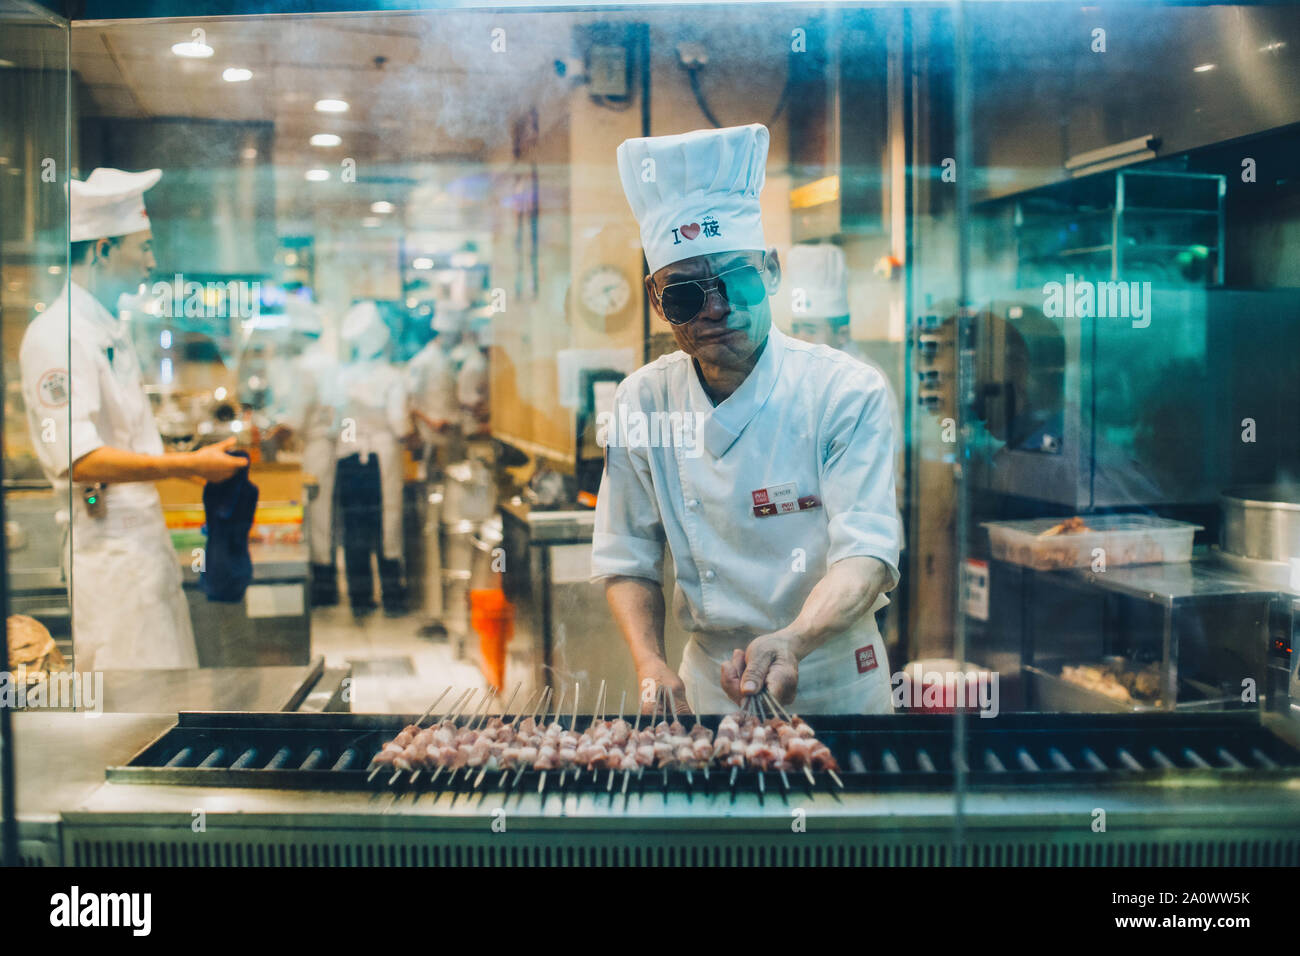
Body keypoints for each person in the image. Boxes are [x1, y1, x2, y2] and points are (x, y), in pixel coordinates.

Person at [592, 125, 901, 714]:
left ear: (771, 272)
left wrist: (794, 641)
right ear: (658, 303)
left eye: (736, 279)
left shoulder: (843, 390)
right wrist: (650, 662)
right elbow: (626, 553)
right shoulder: (643, 402)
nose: (716, 308)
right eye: (685, 295)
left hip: (836, 684)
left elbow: (866, 554)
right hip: (708, 687)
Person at [18, 167, 248, 670]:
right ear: (101, 250)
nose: (152, 262)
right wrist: (179, 466)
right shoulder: (58, 335)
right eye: (142, 247)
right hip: (109, 555)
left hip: (140, 547)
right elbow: (80, 461)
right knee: (135, 714)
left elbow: (120, 441)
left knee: (167, 700)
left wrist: (190, 464)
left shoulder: (105, 330)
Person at [334, 301, 409, 615]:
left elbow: (334, 419)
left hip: (348, 457)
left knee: (355, 529)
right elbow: (400, 424)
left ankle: (360, 597)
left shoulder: (342, 376)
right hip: (380, 456)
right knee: (386, 525)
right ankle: (392, 595)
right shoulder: (393, 377)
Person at [267, 299, 343, 605]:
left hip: (316, 446)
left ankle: (321, 586)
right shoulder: (328, 361)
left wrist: (271, 437)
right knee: (325, 515)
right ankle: (327, 582)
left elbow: (295, 418)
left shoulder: (306, 367)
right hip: (326, 444)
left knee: (316, 516)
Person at [405, 307, 464, 478]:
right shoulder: (422, 362)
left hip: (451, 433)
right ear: (444, 333)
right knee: (430, 483)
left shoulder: (450, 359)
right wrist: (430, 421)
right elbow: (409, 401)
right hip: (429, 436)